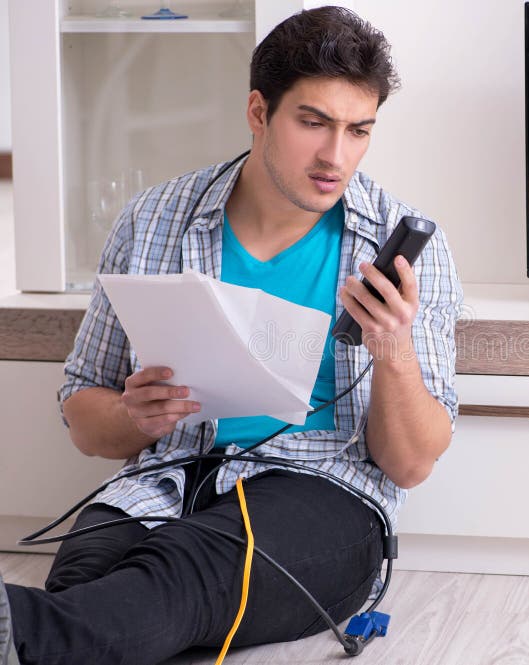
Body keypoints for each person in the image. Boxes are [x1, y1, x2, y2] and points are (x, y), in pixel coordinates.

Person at [0, 6, 462, 664]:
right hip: (163, 481)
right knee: (89, 595)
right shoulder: (155, 218)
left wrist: (392, 346)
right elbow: (83, 414)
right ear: (258, 111)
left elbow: (411, 462)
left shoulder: (403, 244)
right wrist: (133, 416)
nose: (337, 156)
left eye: (359, 130)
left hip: (322, 494)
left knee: (177, 573)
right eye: (314, 123)